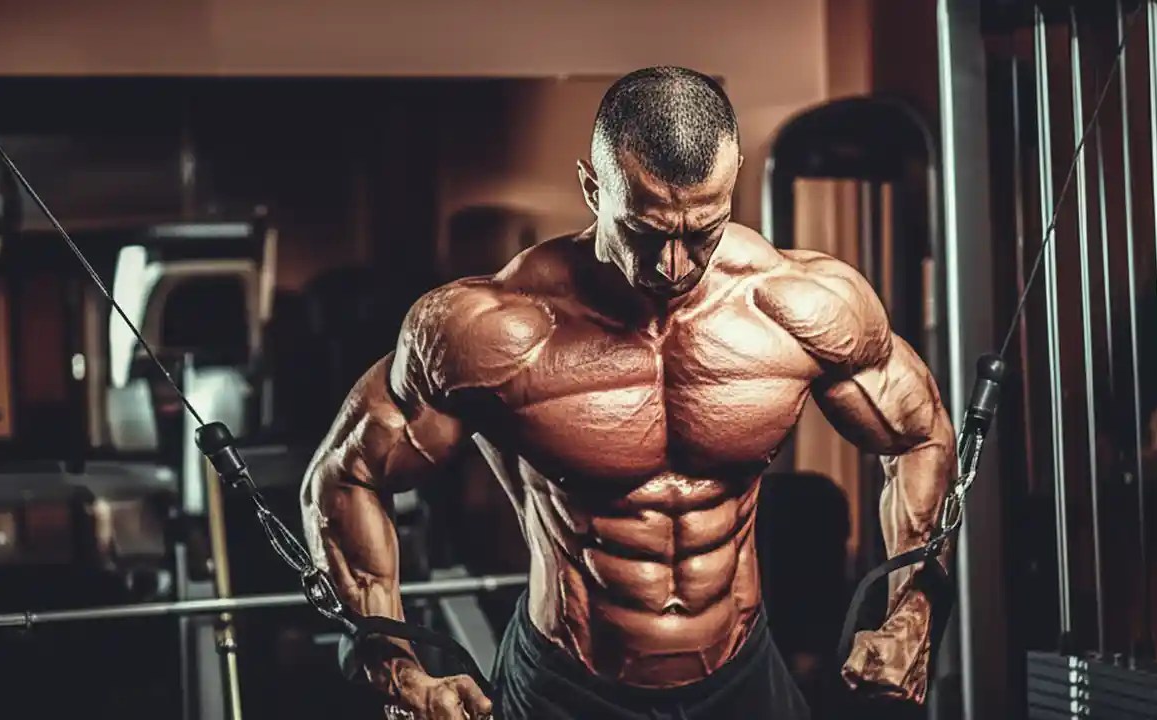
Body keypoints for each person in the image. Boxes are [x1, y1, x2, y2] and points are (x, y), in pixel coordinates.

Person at [301, 66, 955, 720]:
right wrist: (397, 669)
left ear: (733, 181)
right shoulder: (493, 329)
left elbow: (921, 434)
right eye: (645, 232)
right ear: (593, 187)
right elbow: (346, 476)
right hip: (567, 684)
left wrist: (913, 610)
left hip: (741, 675)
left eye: (702, 232)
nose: (673, 266)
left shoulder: (801, 306)